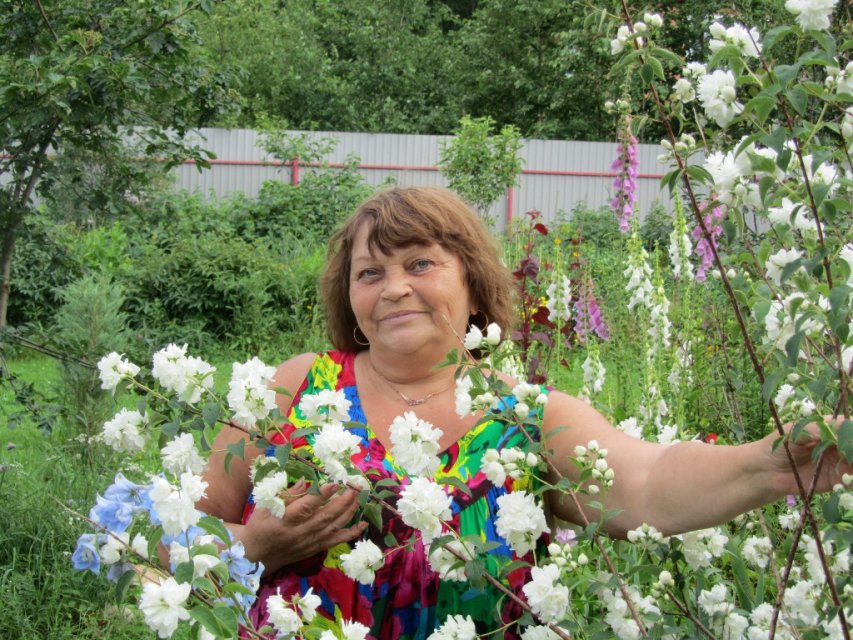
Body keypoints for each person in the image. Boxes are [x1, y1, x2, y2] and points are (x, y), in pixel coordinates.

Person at [198, 186, 848, 639]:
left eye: (419, 263)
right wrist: (252, 546)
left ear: (471, 282)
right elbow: (170, 543)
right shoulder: (292, 390)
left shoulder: (525, 416)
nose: (394, 287)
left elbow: (646, 484)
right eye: (369, 273)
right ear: (349, 296)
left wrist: (770, 466)